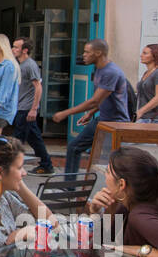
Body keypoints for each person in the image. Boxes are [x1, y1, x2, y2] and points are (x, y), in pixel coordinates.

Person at [52, 39, 130, 178]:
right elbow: (103, 99)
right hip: (103, 120)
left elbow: (95, 101)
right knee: (74, 147)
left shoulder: (111, 72)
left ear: (98, 53)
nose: (84, 55)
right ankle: (68, 187)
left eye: (87, 52)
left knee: (110, 160)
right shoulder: (99, 69)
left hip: (115, 123)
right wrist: (90, 114)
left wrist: (65, 113)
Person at [11, 38, 54, 175]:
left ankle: (13, 167)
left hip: (26, 108)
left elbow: (38, 87)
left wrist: (34, 109)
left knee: (18, 140)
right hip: (22, 107)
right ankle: (46, 164)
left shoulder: (30, 65)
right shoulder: (20, 64)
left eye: (16, 47)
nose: (13, 49)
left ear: (25, 50)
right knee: (34, 138)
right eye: (13, 46)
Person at [135, 44, 158, 123]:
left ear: (154, 56)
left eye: (145, 53)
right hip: (144, 118)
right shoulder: (147, 73)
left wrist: (140, 112)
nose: (141, 55)